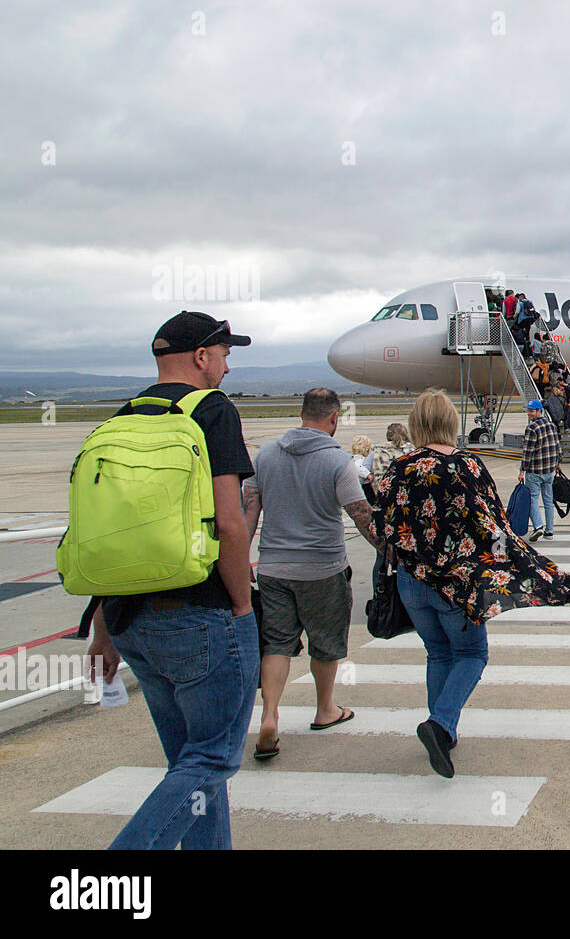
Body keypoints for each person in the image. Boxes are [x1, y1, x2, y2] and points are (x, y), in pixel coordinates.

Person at [84, 311, 258, 850]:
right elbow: (230, 523)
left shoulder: (121, 416)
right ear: (202, 357)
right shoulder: (212, 412)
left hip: (129, 619)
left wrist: (104, 631)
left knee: (192, 765)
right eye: (225, 355)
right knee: (212, 758)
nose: (228, 367)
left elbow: (108, 532)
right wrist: (242, 607)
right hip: (199, 616)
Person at [373, 390, 570, 777]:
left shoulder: (398, 469)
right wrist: (542, 574)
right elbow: (496, 526)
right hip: (458, 585)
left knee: (437, 654)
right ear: (450, 422)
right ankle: (441, 724)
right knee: (472, 654)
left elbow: (382, 527)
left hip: (412, 585)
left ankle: (443, 730)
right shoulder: (466, 466)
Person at [241, 389, 384, 761]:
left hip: (272, 567)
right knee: (325, 641)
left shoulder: (266, 455)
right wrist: (388, 552)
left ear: (302, 414)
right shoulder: (338, 462)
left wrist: (241, 559)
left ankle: (270, 713)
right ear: (334, 419)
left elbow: (249, 514)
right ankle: (325, 709)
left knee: (275, 643)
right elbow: (360, 514)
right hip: (322, 568)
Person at [519, 399, 562, 541]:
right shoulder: (551, 425)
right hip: (549, 470)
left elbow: (527, 452)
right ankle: (550, 531)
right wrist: (558, 462)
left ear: (539, 411)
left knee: (532, 499)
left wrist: (522, 470)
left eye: (531, 411)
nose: (529, 413)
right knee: (548, 501)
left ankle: (538, 526)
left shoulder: (531, 428)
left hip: (535, 470)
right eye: (528, 410)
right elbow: (557, 446)